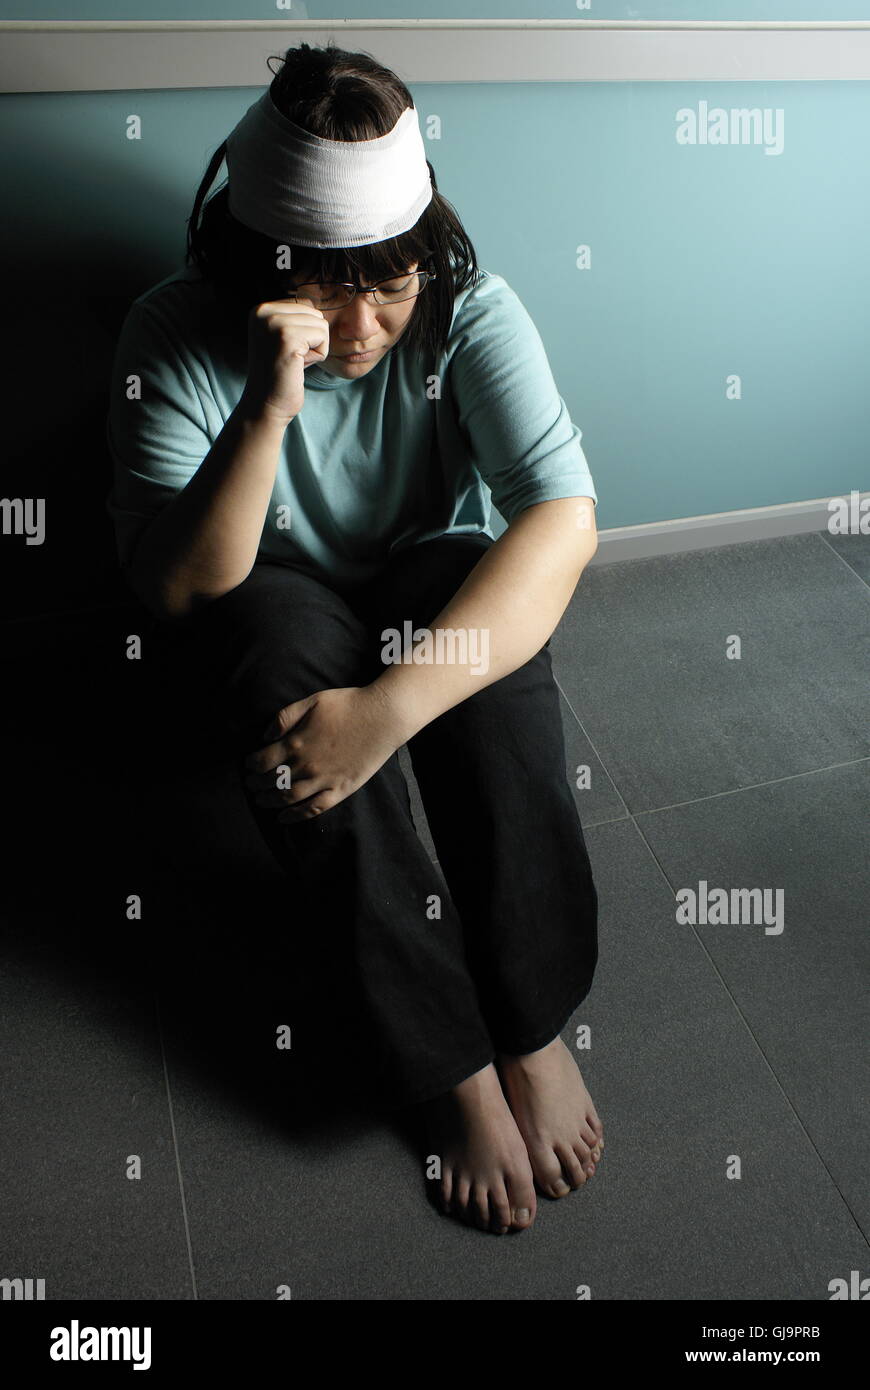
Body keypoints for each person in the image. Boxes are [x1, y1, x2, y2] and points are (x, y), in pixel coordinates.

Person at [105, 41, 604, 1237]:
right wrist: (271, 403)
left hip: (416, 572)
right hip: (273, 594)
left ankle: (528, 1025)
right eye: (332, 289)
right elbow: (175, 589)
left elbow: (563, 520)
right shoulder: (172, 332)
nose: (369, 324)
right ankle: (447, 1063)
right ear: (257, 266)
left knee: (484, 647)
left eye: (393, 282)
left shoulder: (467, 306)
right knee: (277, 655)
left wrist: (385, 713)